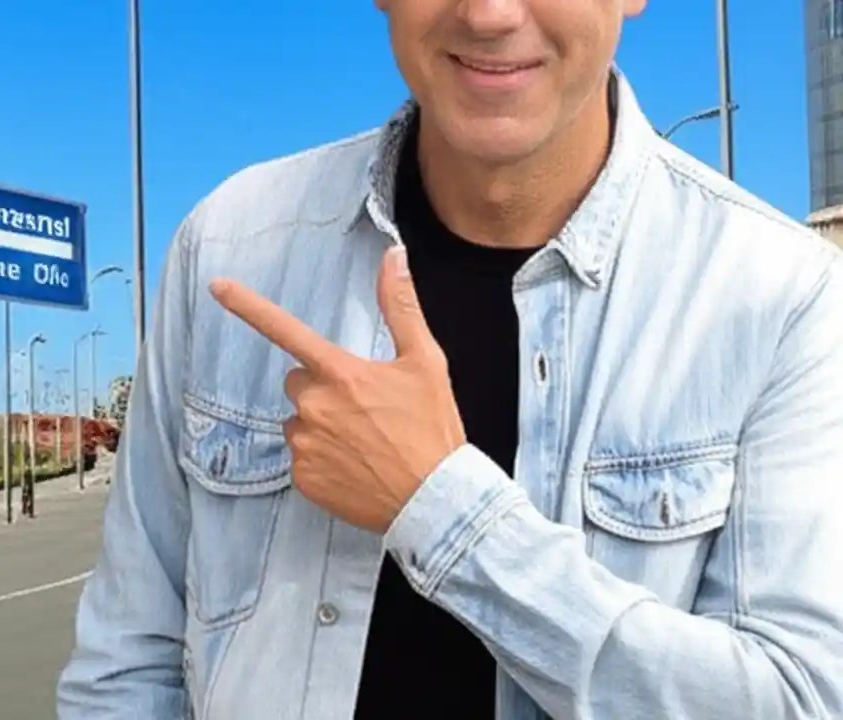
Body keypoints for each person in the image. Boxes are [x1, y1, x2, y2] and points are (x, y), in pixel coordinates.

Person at [57, 1, 843, 718]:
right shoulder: (232, 247)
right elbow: (128, 662)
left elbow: (797, 697)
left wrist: (439, 506)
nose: (489, 15)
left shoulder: (779, 295)